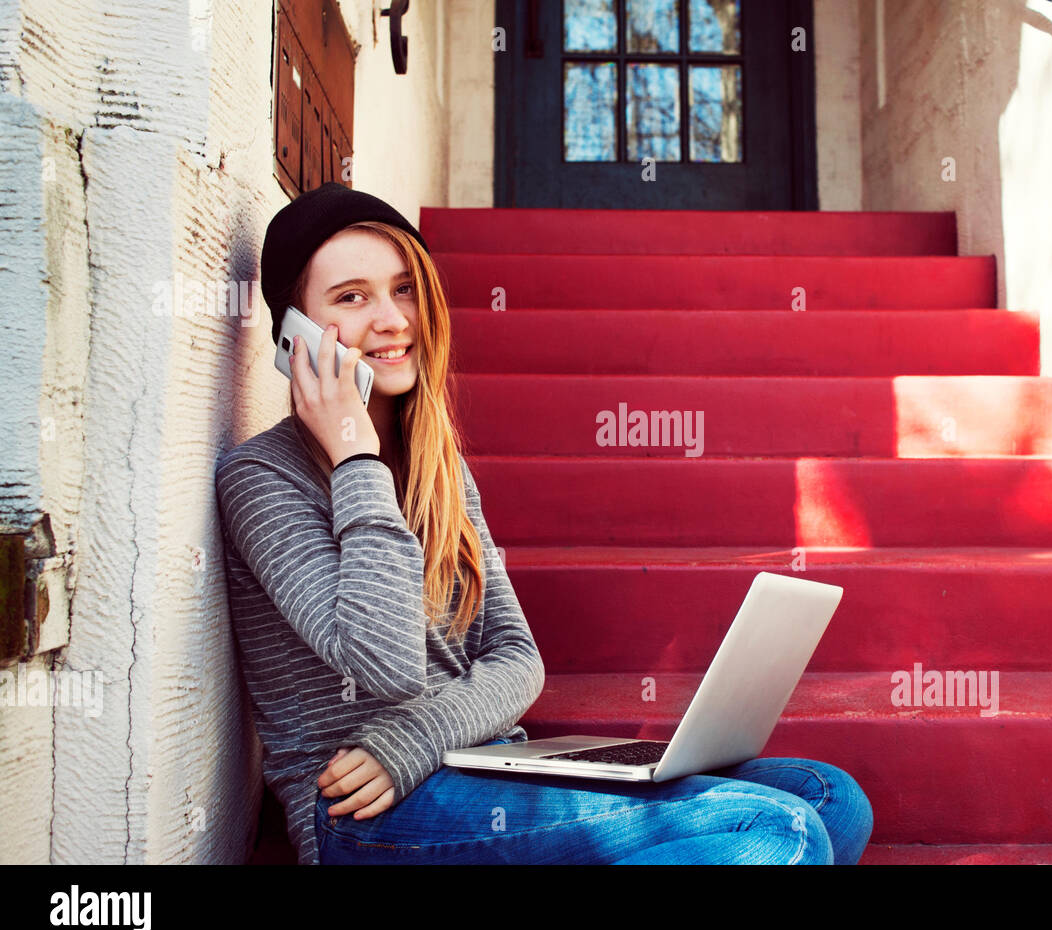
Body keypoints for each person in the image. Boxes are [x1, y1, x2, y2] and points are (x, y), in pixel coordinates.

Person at [214, 182, 873, 864]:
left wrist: (419, 737)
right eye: (351, 297)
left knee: (829, 797)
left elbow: (517, 658)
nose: (391, 319)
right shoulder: (262, 478)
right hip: (363, 814)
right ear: (295, 335)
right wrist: (355, 454)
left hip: (479, 766)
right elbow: (386, 667)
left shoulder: (439, 468)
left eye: (404, 288)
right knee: (778, 832)